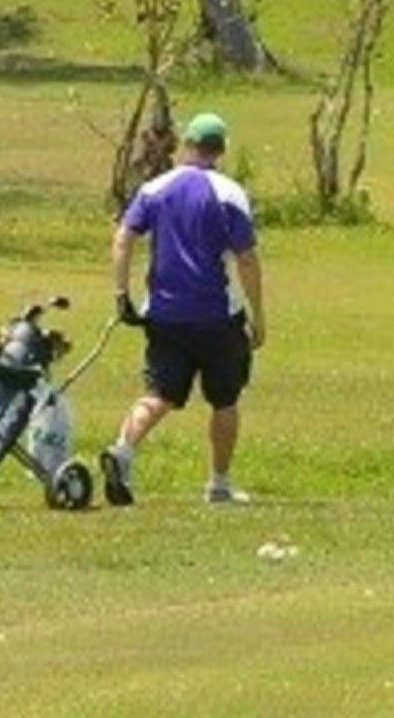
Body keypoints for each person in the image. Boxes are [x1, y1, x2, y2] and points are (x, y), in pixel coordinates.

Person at [103, 111, 266, 507]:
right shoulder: (229, 193)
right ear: (221, 150)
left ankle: (123, 450)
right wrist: (258, 315)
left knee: (159, 394)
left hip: (164, 313)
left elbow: (123, 238)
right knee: (225, 400)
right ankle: (219, 483)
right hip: (217, 318)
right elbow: (246, 259)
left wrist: (121, 294)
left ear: (186, 145)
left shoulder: (156, 188)